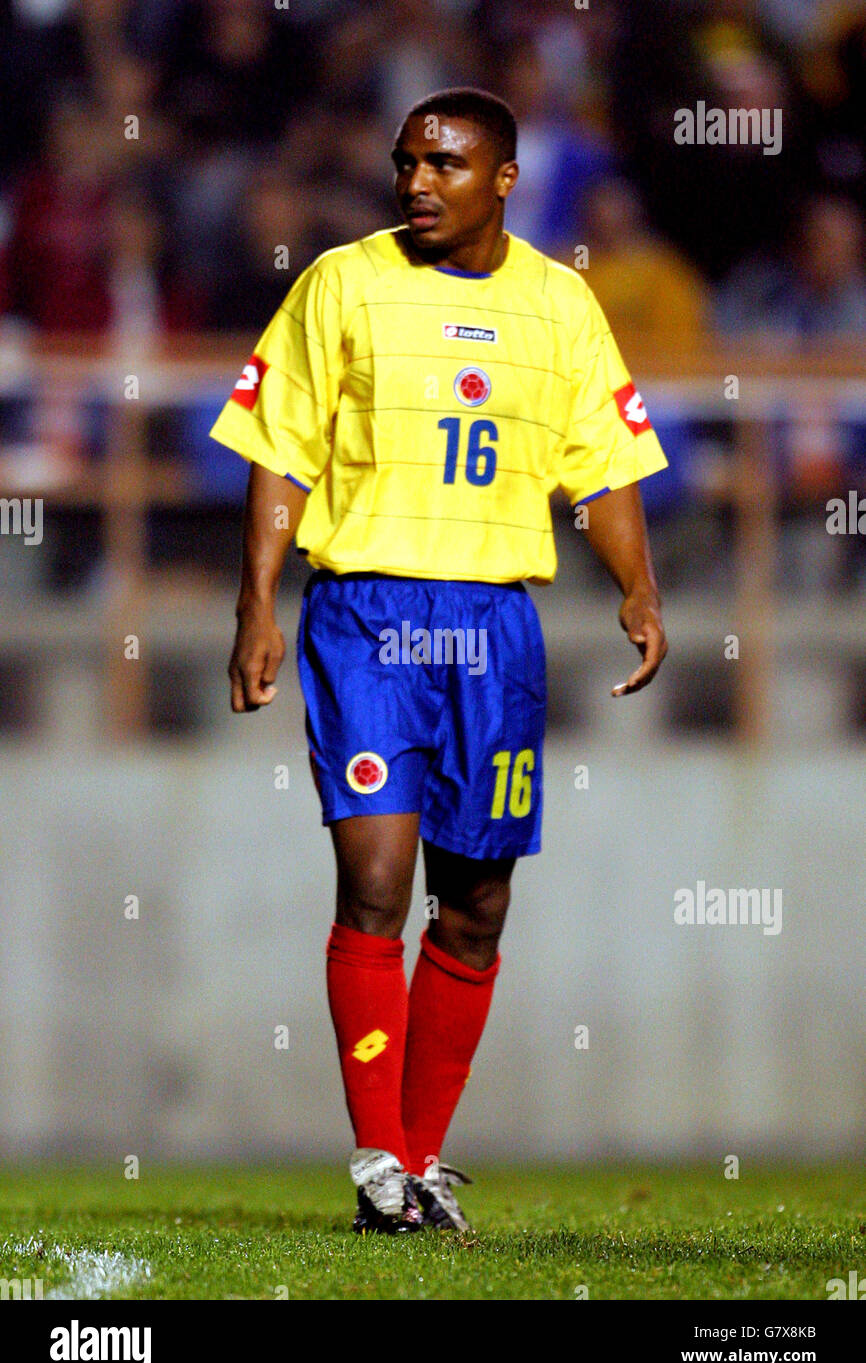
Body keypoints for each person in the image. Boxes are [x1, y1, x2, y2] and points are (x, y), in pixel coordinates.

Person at [209, 88, 668, 1235]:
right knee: (372, 880)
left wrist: (638, 586)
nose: (417, 181)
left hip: (492, 630)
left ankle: (419, 1162)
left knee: (473, 905)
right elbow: (279, 450)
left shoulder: (560, 306)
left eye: (446, 164)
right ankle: (376, 1163)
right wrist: (257, 601)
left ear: (503, 178)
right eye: (407, 160)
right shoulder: (340, 283)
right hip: (364, 616)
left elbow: (599, 467)